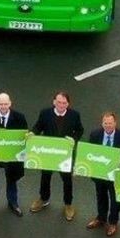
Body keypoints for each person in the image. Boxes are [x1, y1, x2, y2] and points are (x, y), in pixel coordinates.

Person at [31, 91, 84, 221]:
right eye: (59, 102)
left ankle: (68, 204)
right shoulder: (45, 113)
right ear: (54, 102)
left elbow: (80, 130)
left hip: (65, 154)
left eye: (64, 103)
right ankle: (43, 199)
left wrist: (74, 139)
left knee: (67, 180)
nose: (61, 105)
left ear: (68, 104)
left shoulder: (74, 115)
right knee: (45, 176)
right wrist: (32, 133)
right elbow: (38, 127)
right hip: (48, 152)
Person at [86, 112, 120, 236]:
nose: (108, 125)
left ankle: (113, 222)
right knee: (101, 196)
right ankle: (101, 218)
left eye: (110, 123)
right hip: (99, 173)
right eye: (105, 123)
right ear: (102, 123)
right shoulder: (95, 134)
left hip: (115, 175)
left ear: (115, 123)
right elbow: (89, 152)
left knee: (115, 200)